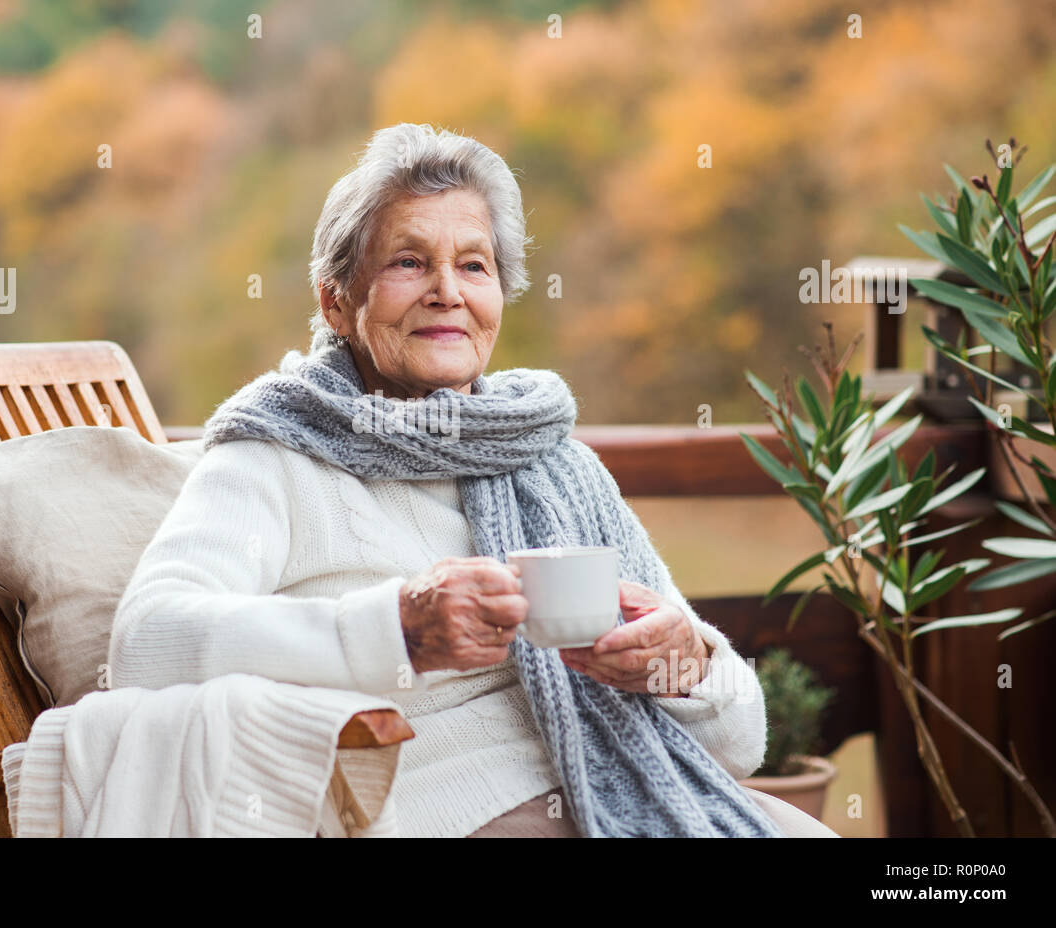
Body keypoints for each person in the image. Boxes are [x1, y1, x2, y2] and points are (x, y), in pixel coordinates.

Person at [110, 122, 837, 838]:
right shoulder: (274, 455)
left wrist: (687, 664)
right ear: (336, 301)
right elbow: (144, 644)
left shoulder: (552, 459)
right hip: (430, 805)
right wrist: (398, 627)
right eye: (408, 262)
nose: (446, 292)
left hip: (632, 785)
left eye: (474, 266)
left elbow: (738, 741)